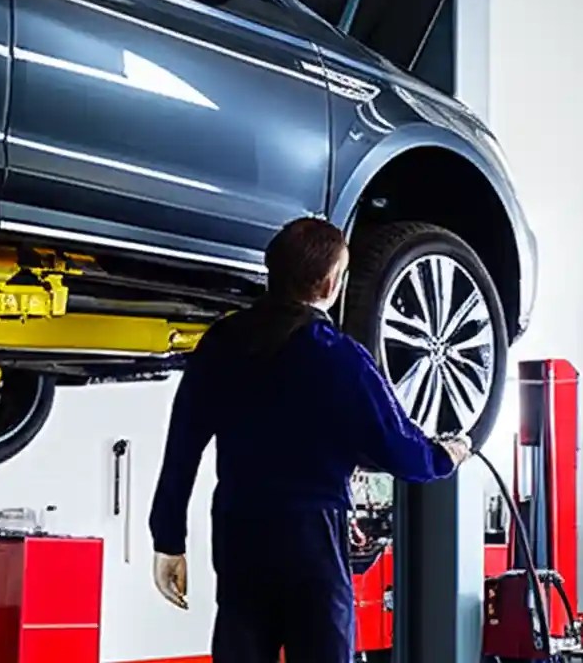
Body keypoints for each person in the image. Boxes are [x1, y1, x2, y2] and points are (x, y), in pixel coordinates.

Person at [148, 217, 472, 663]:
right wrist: (448, 455)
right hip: (311, 538)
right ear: (332, 282)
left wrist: (168, 539)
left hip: (239, 530)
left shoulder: (222, 343)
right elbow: (402, 453)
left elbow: (182, 447)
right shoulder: (337, 356)